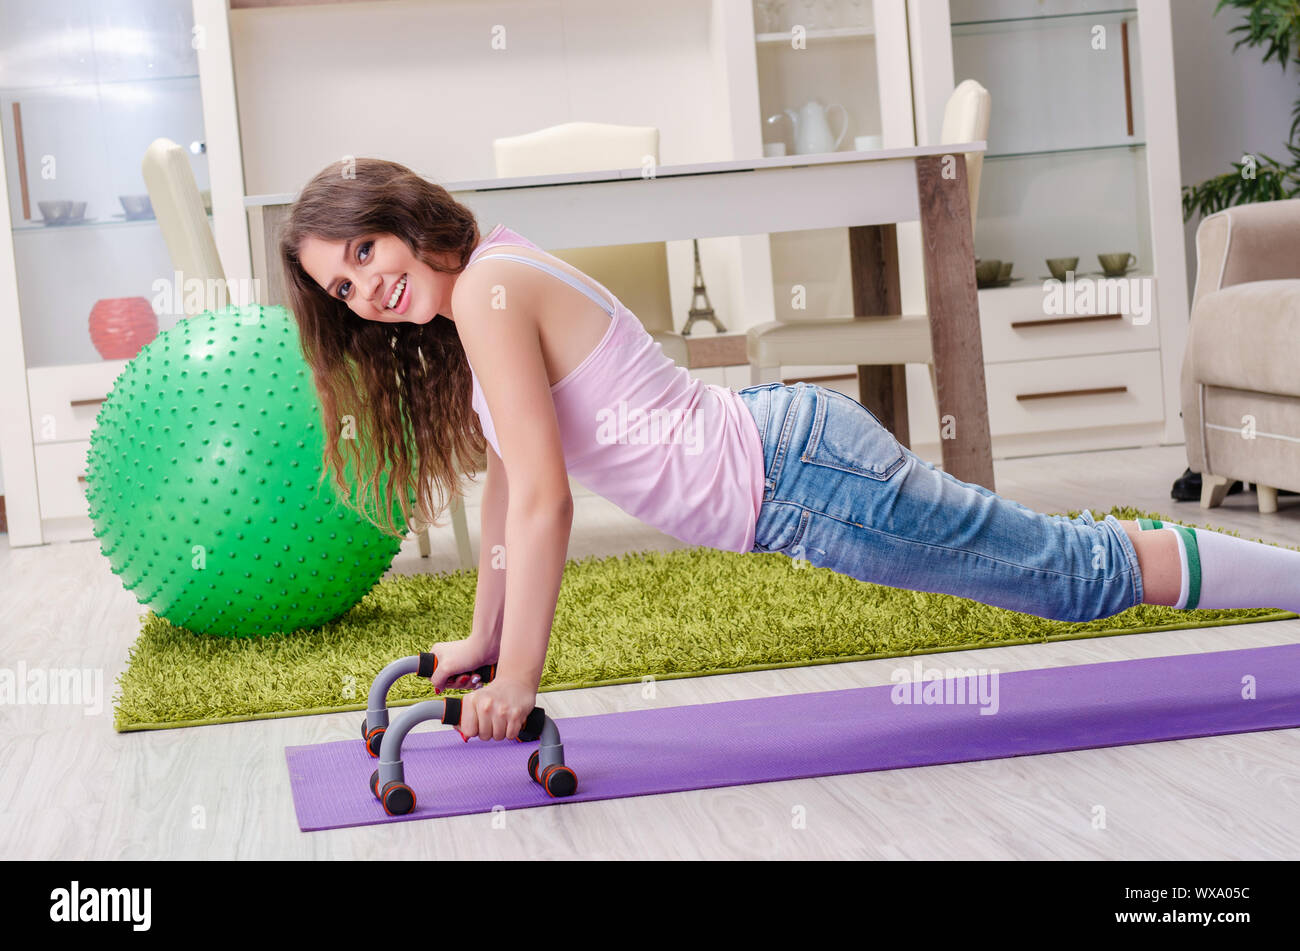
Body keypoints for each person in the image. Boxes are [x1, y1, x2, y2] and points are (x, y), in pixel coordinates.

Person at [282, 157, 1300, 743]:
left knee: (1074, 576)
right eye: (341, 286)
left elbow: (547, 503)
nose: (365, 290)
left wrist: (522, 680)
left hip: (803, 480)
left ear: (401, 218)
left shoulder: (492, 291)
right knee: (1062, 559)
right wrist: (483, 640)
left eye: (365, 252)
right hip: (792, 470)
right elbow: (508, 486)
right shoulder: (479, 298)